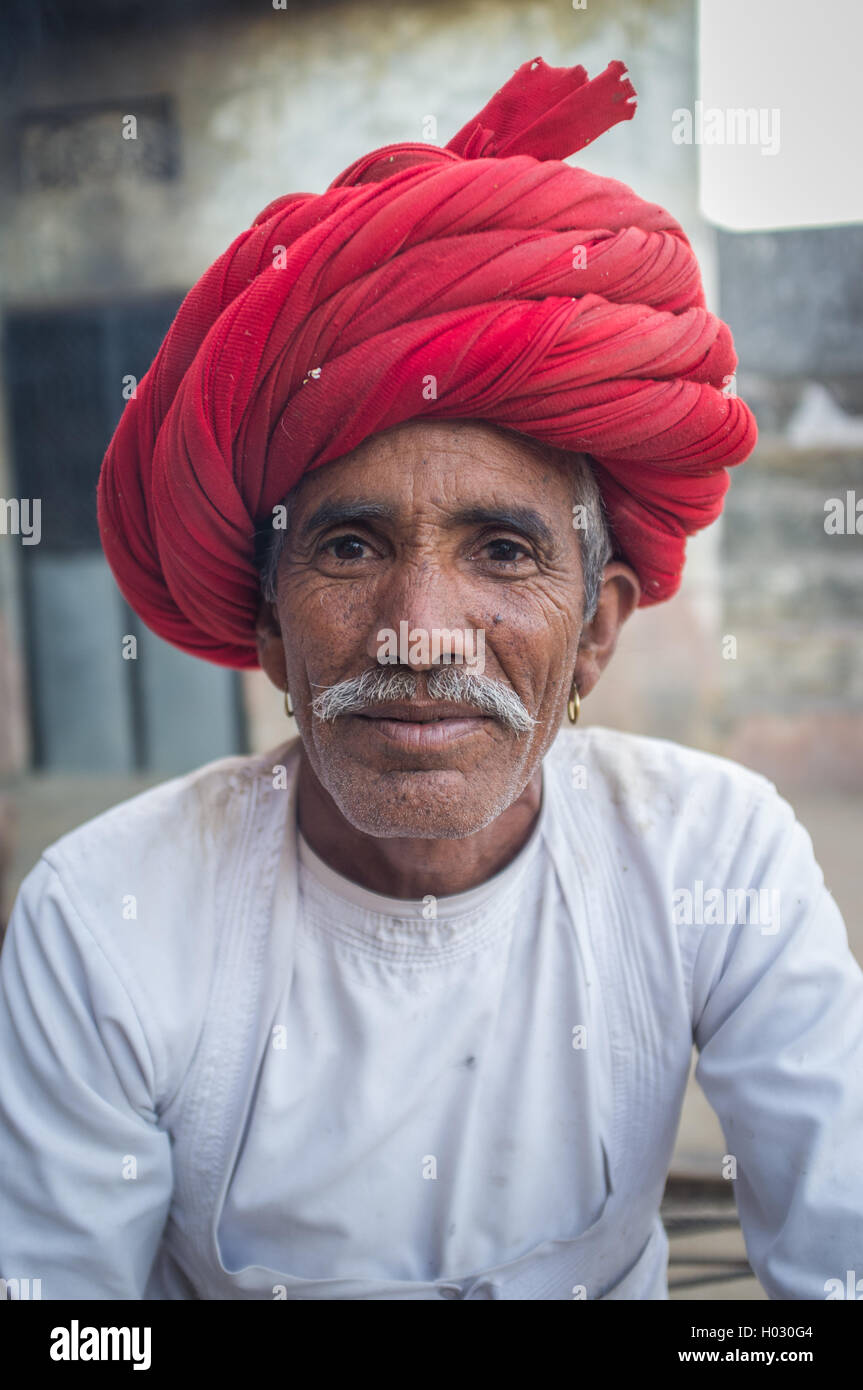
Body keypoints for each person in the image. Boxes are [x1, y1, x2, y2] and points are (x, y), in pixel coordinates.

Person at [1, 55, 861, 1302]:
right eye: (350, 548)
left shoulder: (715, 861)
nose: (419, 633)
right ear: (273, 630)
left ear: (595, 631)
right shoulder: (104, 917)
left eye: (501, 552)